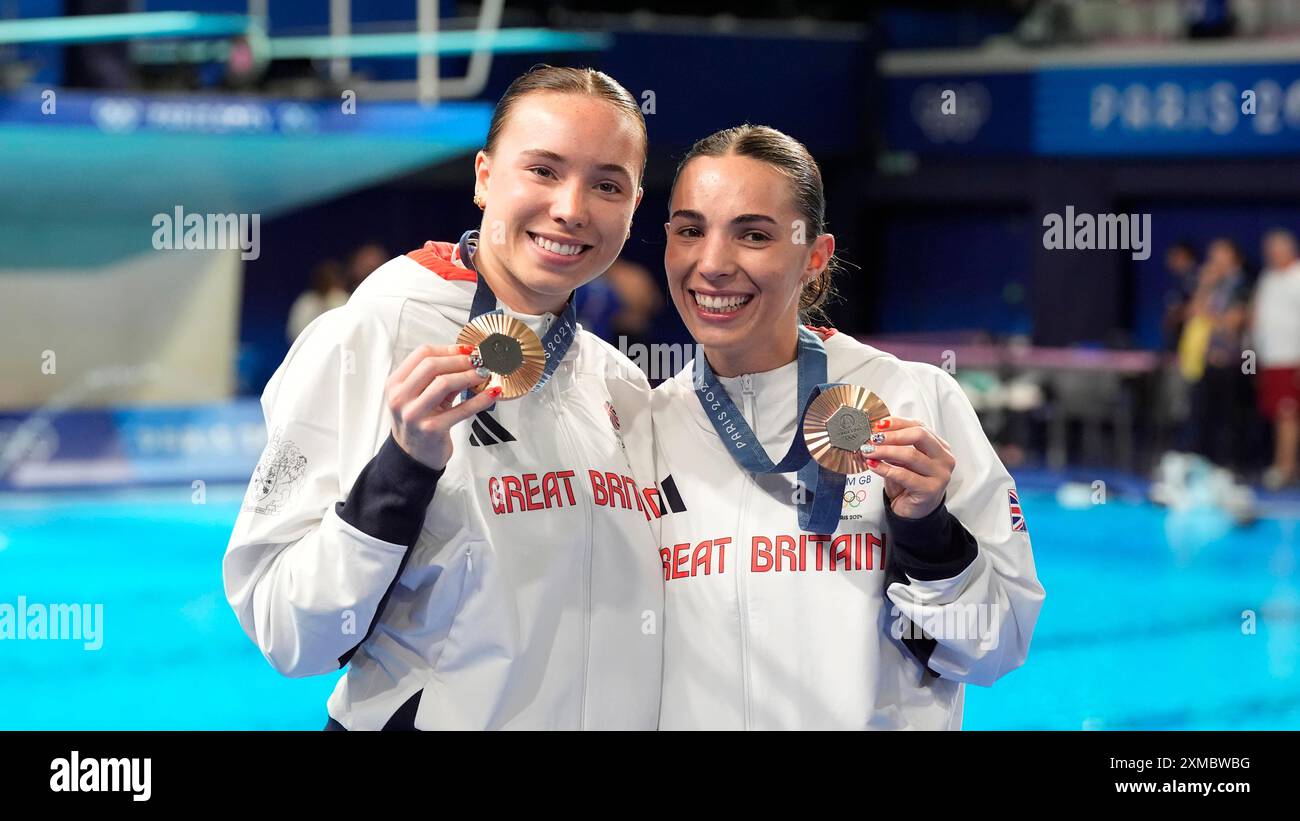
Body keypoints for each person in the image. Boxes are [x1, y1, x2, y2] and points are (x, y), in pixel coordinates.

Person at [223, 66, 663, 730]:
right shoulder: (380, 327)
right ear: (485, 177)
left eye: (607, 184)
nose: (572, 207)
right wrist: (401, 469)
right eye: (543, 170)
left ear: (632, 209)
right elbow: (286, 627)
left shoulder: (618, 384)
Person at [650, 125, 1044, 730]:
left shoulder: (916, 398)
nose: (714, 264)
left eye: (753, 234)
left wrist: (928, 534)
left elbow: (998, 646)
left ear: (815, 257)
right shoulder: (646, 427)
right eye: (690, 230)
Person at [1179, 237, 1253, 472]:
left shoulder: (1242, 284)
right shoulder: (1215, 285)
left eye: (1219, 254)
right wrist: (1205, 284)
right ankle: (1203, 467)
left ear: (1233, 257)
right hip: (1205, 361)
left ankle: (1228, 468)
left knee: (1227, 420)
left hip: (1232, 361)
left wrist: (1209, 316)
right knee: (1202, 416)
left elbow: (1233, 323)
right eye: (1211, 255)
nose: (1214, 260)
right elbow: (1191, 313)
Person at [1250, 229, 1300, 489]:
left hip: (1292, 358)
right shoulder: (1268, 278)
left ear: (1289, 250)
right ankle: (1283, 464)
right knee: (1279, 415)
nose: (1271, 255)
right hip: (1271, 359)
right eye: (1269, 251)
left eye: (1276, 250)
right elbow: (1258, 318)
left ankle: (1285, 468)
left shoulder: (1298, 277)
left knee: (1288, 414)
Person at [286, 260, 349, 343]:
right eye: (325, 279)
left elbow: (346, 328)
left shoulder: (341, 299)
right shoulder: (306, 302)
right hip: (308, 347)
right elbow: (295, 331)